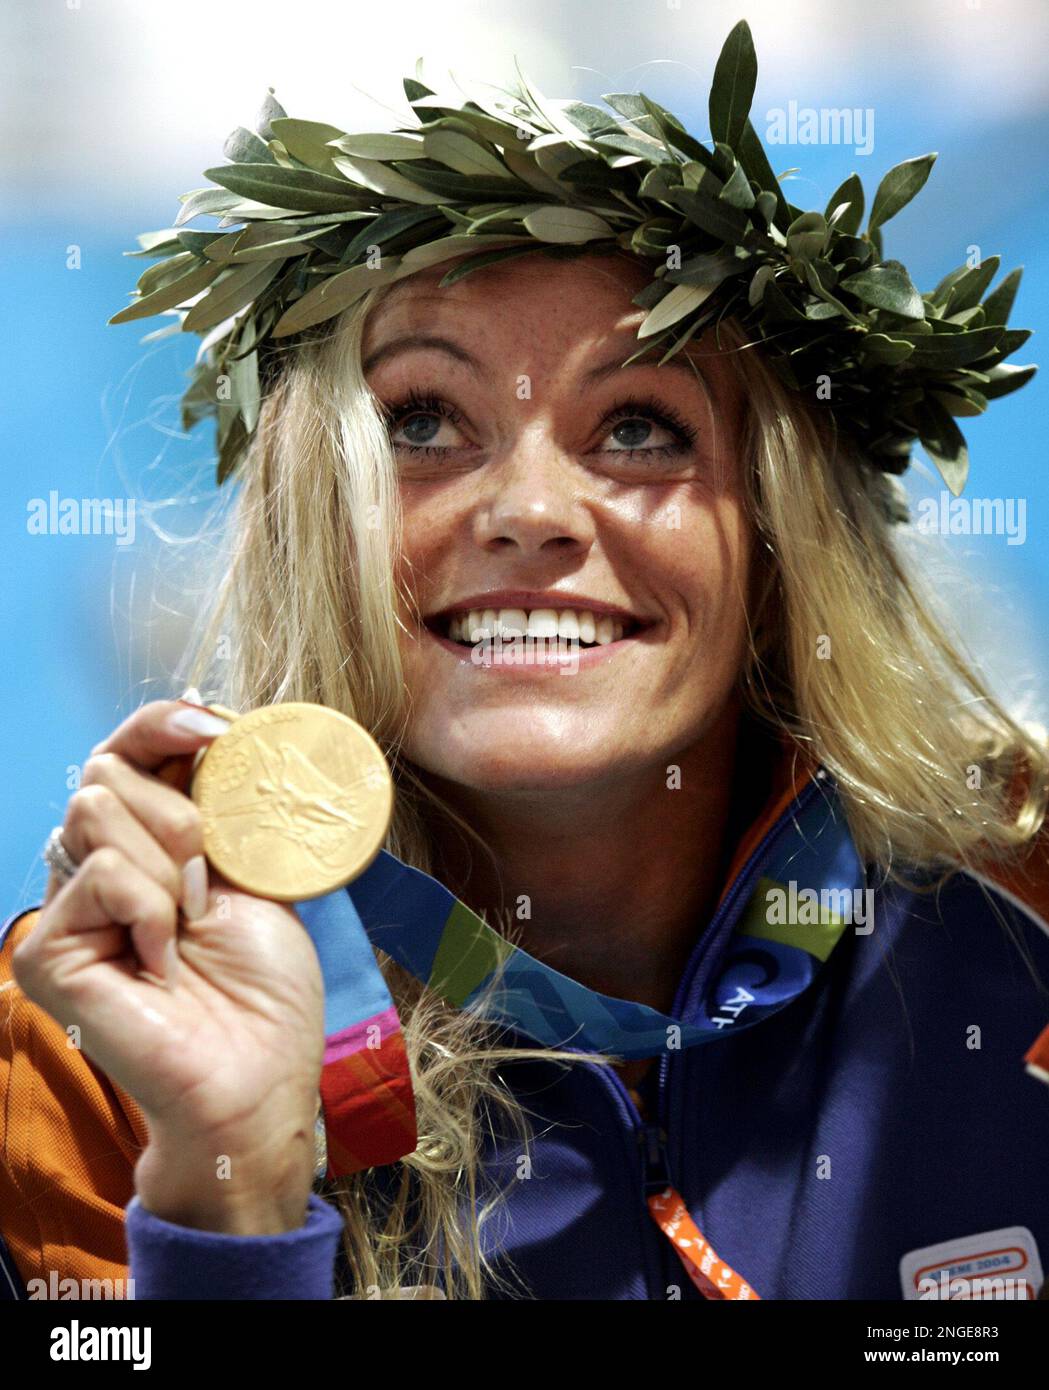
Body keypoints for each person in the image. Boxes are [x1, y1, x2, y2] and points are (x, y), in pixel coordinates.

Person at [3, 25, 1049, 1301]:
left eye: (638, 426)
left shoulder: (1022, 902)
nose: (531, 509)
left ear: (774, 537)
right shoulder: (90, 1038)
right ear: (311, 526)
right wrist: (229, 1189)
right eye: (424, 423)